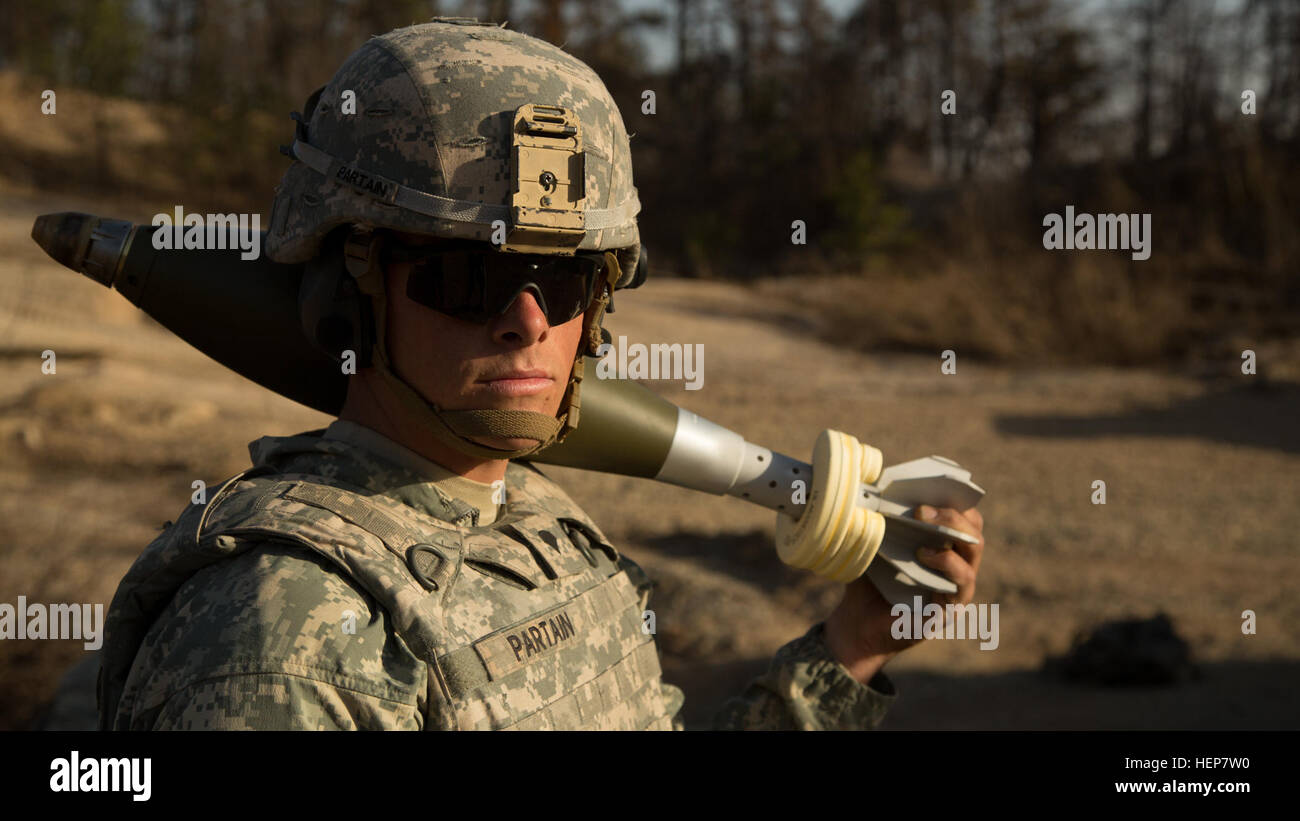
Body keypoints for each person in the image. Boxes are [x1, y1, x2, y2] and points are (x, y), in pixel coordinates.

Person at [97, 18, 985, 731]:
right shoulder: (284, 636)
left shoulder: (538, 518)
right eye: (467, 275)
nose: (527, 318)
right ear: (347, 285)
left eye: (564, 278)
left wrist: (854, 644)